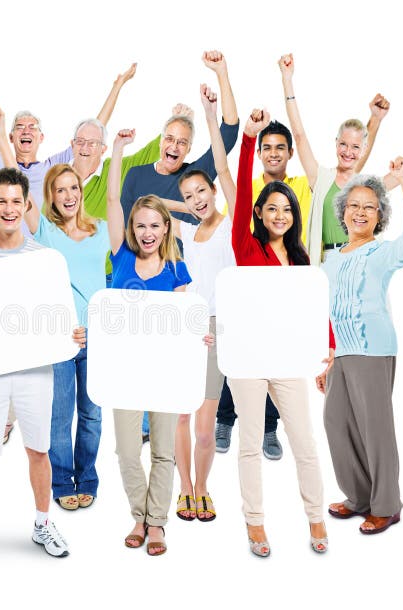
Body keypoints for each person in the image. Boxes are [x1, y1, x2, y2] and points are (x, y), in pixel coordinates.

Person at [0, 168, 85, 559]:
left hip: (35, 368)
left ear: (27, 205)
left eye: (16, 201)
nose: (9, 209)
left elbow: (57, 313)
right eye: (1, 201)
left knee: (39, 450)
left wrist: (71, 333)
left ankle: (43, 523)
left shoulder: (45, 258)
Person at [229, 109, 331, 557]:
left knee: (305, 443)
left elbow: (314, 306)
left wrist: (326, 345)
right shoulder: (246, 247)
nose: (279, 214)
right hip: (249, 360)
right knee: (250, 445)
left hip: (288, 359)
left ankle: (316, 517)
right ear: (259, 212)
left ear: (293, 215)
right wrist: (249, 140)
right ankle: (255, 523)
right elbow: (239, 202)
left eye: (286, 209)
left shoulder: (301, 258)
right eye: (271, 207)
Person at [318, 158, 403, 535]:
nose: (361, 212)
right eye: (354, 205)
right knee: (335, 422)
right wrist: (330, 358)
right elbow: (330, 312)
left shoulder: (380, 252)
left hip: (373, 349)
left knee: (375, 428)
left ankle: (386, 505)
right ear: (343, 213)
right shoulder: (330, 260)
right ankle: (359, 497)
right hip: (343, 354)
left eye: (369, 206)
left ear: (379, 215)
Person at [107, 128, 192, 556]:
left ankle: (154, 523)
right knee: (126, 450)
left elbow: (183, 321)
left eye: (154, 225)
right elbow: (110, 203)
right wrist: (118, 150)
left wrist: (200, 333)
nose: (146, 232)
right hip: (124, 369)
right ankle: (139, 513)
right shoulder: (120, 256)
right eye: (140, 225)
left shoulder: (176, 267)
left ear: (165, 228)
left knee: (162, 450)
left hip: (164, 371)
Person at [278, 53, 403, 263]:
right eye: (343, 145)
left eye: (355, 147)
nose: (348, 152)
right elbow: (299, 135)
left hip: (363, 260)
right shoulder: (320, 178)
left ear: (363, 148)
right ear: (336, 143)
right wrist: (287, 79)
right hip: (328, 261)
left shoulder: (369, 187)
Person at [162, 84, 236, 523]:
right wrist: (181, 204)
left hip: (217, 329)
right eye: (188, 197)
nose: (196, 200)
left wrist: (210, 115)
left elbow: (223, 167)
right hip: (184, 326)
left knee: (205, 427)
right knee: (179, 421)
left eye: (201, 192)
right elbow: (144, 205)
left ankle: (204, 486)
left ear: (212, 190)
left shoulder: (232, 225)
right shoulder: (186, 231)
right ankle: (185, 489)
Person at [0, 62, 136, 201]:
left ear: (40, 138)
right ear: (11, 137)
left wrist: (118, 85)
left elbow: (94, 130)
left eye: (32, 128)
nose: (25, 131)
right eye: (19, 127)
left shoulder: (52, 168)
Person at [21, 163, 109, 510]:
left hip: (97, 338)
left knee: (92, 415)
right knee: (59, 416)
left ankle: (87, 477)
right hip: (59, 339)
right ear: (51, 197)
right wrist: (1, 134)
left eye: (73, 188)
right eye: (60, 190)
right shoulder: (43, 230)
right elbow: (19, 185)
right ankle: (61, 481)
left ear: (81, 192)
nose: (68, 195)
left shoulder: (101, 229)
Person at [120, 51, 239, 233]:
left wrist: (221, 72)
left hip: (186, 260)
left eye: (182, 142)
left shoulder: (195, 175)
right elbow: (124, 229)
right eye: (169, 139)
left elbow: (229, 132)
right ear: (160, 142)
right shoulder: (135, 175)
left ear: (189, 149)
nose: (174, 147)